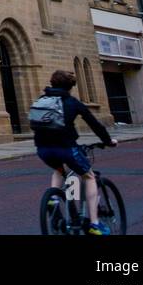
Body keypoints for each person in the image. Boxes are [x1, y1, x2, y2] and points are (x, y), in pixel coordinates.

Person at [31, 69, 117, 234]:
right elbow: (95, 124)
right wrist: (108, 141)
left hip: (43, 149)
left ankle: (54, 199)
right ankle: (94, 224)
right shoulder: (72, 102)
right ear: (70, 87)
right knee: (89, 176)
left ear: (52, 83)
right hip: (66, 148)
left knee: (59, 169)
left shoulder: (41, 100)